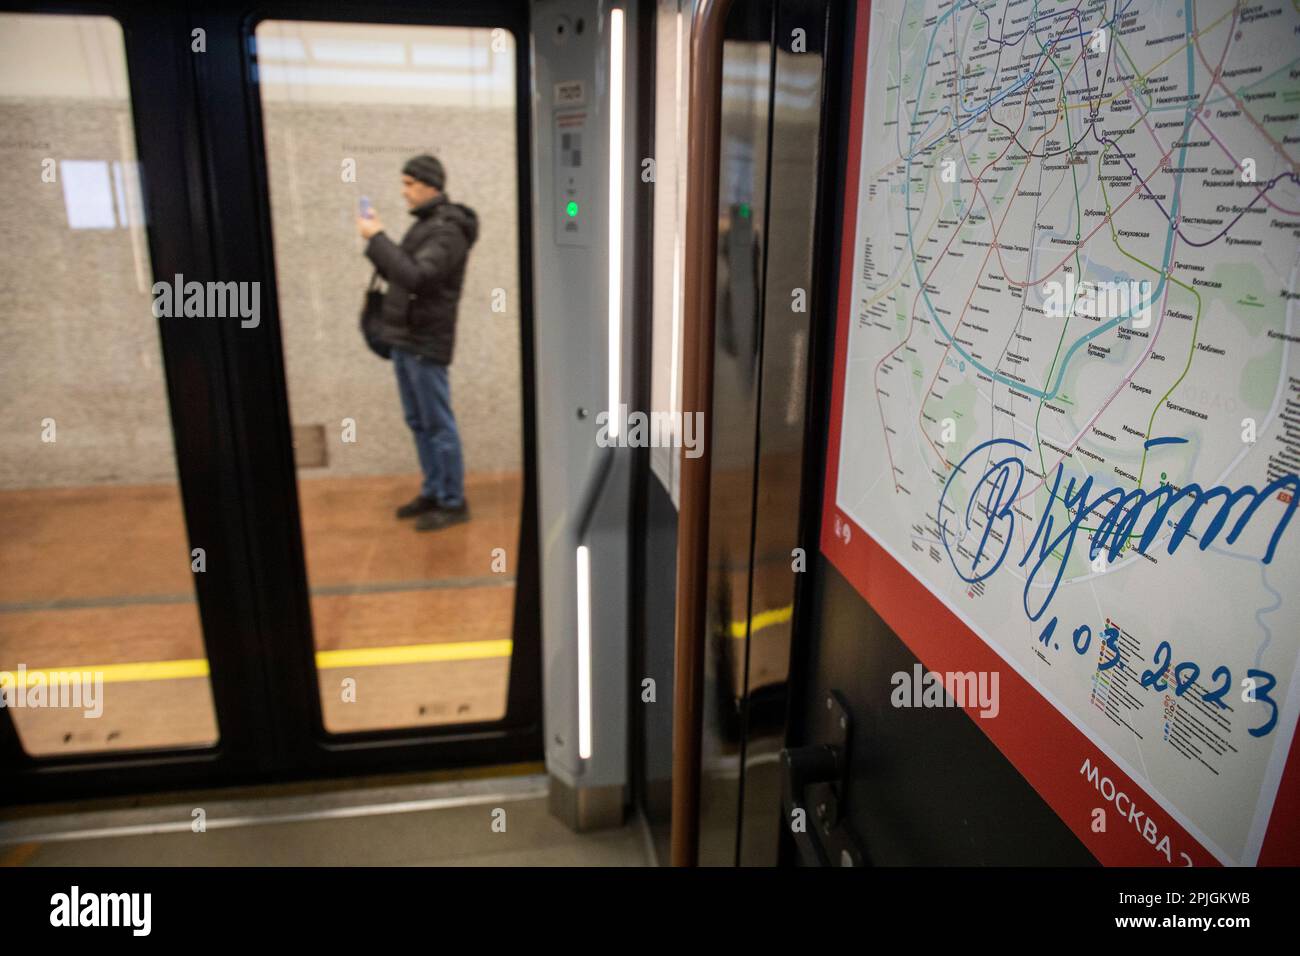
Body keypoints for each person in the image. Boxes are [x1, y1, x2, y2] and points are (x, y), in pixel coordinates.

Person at [357, 155, 479, 532]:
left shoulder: (448, 231)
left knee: (438, 424)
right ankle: (434, 489)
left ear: (431, 185)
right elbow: (403, 270)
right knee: (418, 422)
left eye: (410, 183)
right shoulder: (426, 226)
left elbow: (418, 276)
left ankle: (452, 500)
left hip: (427, 341)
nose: (404, 191)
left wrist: (376, 238)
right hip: (406, 339)